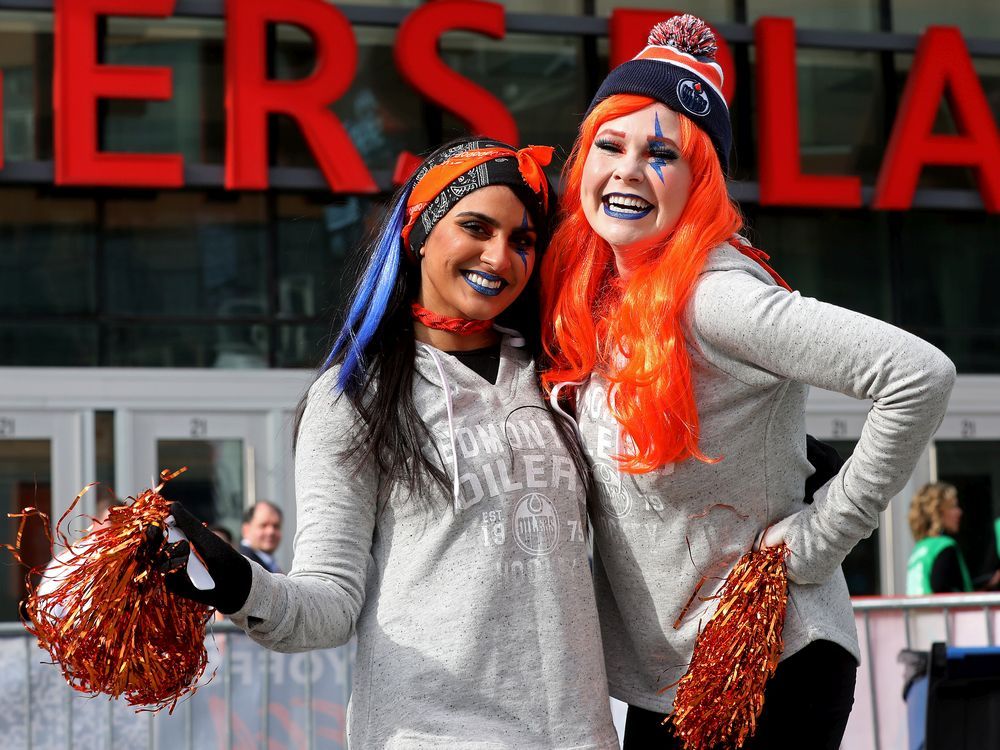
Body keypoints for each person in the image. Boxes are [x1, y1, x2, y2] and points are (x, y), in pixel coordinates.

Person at [540, 15, 956, 750]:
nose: (629, 169)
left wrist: (817, 541)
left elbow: (919, 375)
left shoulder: (716, 296)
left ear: (699, 181)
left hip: (768, 660)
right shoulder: (597, 291)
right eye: (611, 143)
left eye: (662, 154)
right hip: (671, 676)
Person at [158, 137, 619, 749]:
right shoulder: (353, 398)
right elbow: (331, 601)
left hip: (581, 738)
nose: (499, 255)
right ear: (420, 232)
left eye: (522, 239)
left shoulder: (563, 377)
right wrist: (244, 586)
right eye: (475, 227)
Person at [239, 501, 283, 573]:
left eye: (276, 526)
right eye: (263, 525)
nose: (271, 532)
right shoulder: (243, 563)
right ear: (246, 530)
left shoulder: (269, 563)